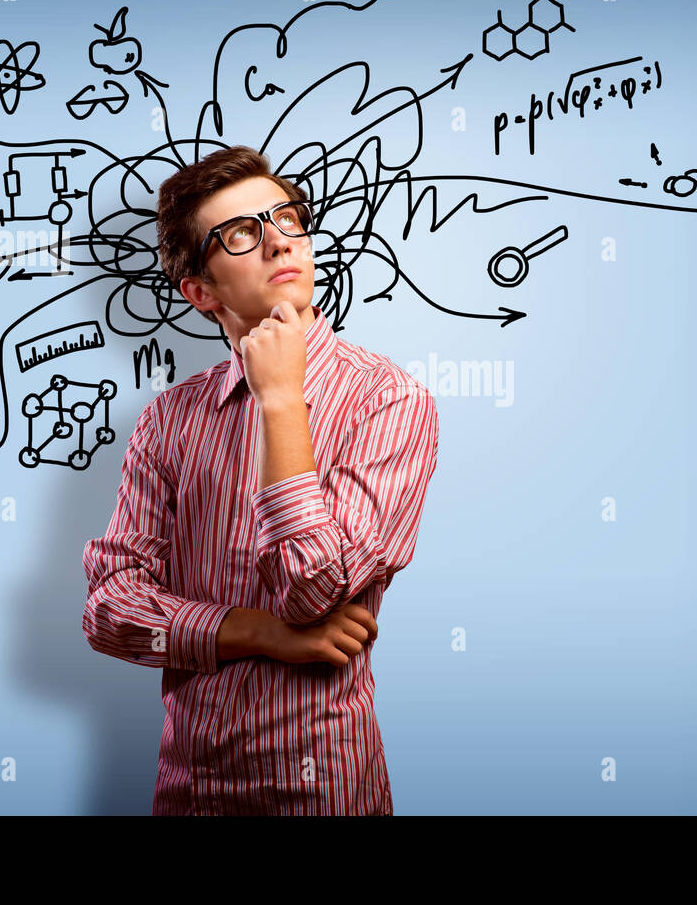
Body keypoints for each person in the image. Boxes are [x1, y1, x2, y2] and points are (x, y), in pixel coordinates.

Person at [82, 146, 440, 815]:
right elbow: (110, 612)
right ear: (201, 292)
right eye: (242, 233)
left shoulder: (389, 401)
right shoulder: (169, 419)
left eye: (287, 218)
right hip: (185, 790)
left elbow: (313, 593)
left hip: (320, 789)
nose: (279, 241)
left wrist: (280, 400)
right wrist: (251, 631)